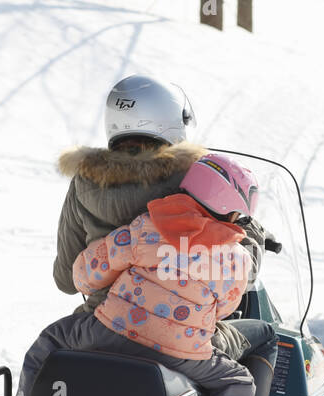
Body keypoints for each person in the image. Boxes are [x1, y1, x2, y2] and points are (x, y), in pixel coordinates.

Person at [17, 154, 278, 396]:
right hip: (181, 354)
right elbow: (225, 310)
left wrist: (91, 279)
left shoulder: (146, 226)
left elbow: (86, 273)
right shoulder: (237, 257)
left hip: (109, 332)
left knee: (52, 339)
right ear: (232, 210)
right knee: (238, 382)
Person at [53, 73, 273, 361]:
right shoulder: (194, 176)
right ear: (171, 120)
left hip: (100, 324)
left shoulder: (83, 181)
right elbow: (238, 272)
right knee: (267, 337)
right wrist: (251, 236)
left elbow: (66, 280)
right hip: (179, 334)